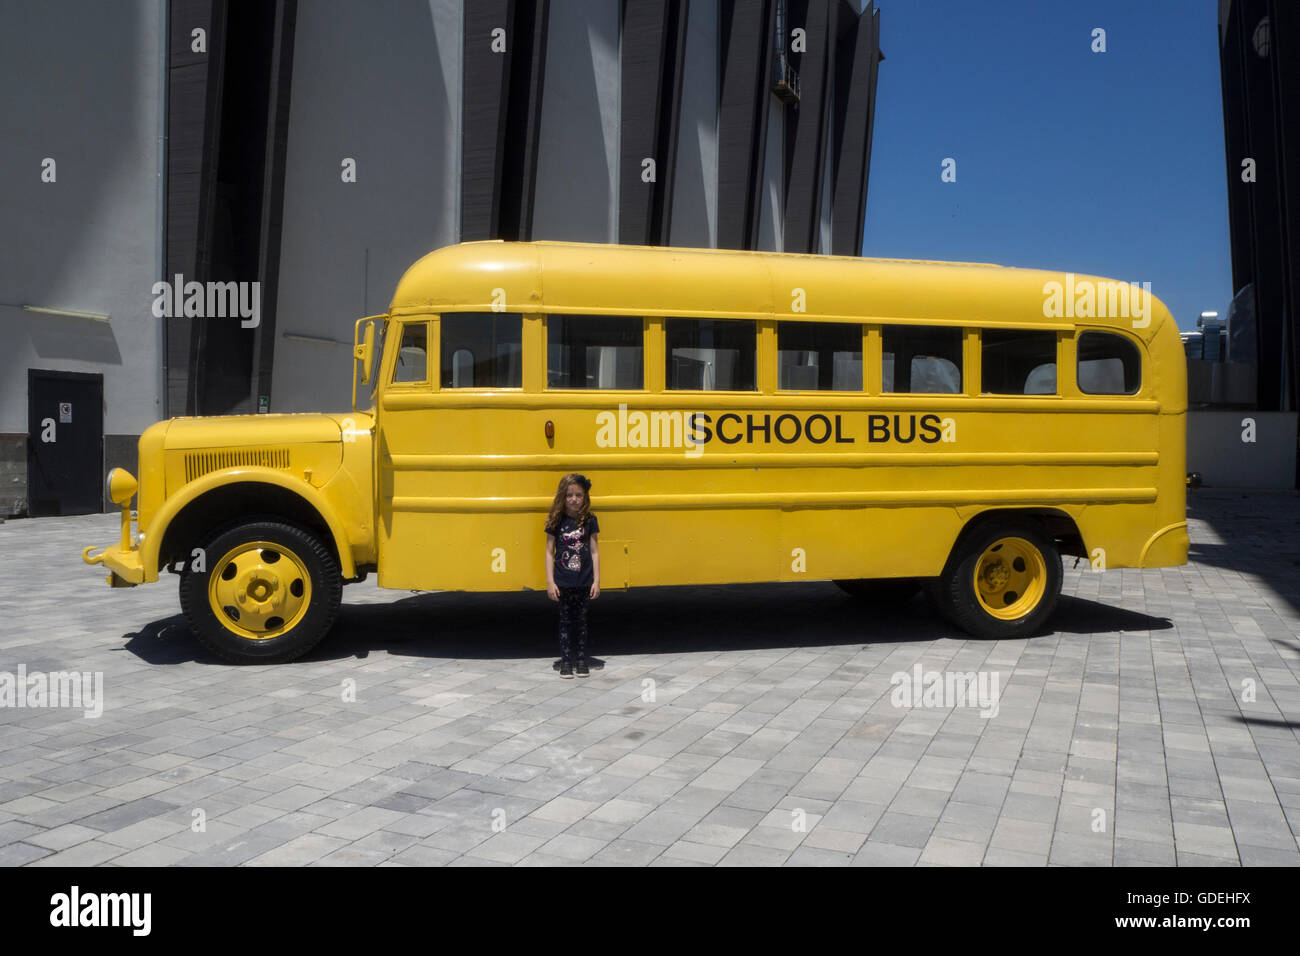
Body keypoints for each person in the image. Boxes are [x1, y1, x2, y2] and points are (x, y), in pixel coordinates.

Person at [544, 473, 600, 678]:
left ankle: (581, 659)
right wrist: (550, 582)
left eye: (578, 495)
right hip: (563, 582)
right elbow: (550, 553)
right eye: (569, 495)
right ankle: (566, 660)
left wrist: (597, 581)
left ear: (585, 497)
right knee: (566, 622)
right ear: (562, 497)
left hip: (584, 581)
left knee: (582, 622)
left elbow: (594, 551)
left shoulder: (590, 520)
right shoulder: (556, 521)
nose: (574, 499)